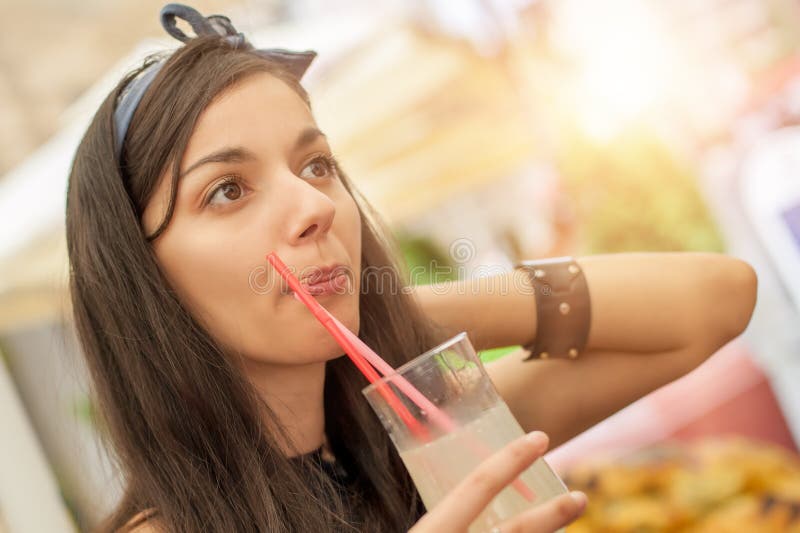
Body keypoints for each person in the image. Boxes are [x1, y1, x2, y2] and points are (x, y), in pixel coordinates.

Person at [65, 4, 758, 532]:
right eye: (227, 190)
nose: (315, 205)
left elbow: (718, 301)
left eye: (316, 165)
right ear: (139, 279)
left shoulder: (430, 439)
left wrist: (393, 307)